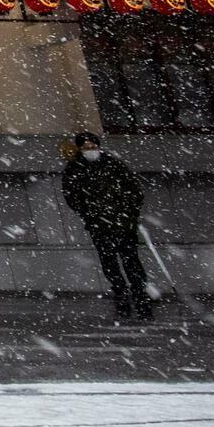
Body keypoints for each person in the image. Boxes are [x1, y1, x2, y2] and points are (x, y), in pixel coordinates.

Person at [61, 131, 154, 321]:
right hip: (100, 226)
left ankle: (141, 299)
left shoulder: (113, 164)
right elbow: (72, 196)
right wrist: (90, 213)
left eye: (92, 146)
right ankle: (122, 299)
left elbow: (133, 190)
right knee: (110, 264)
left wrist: (130, 212)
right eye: (86, 147)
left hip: (123, 223)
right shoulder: (75, 169)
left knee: (131, 262)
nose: (90, 149)